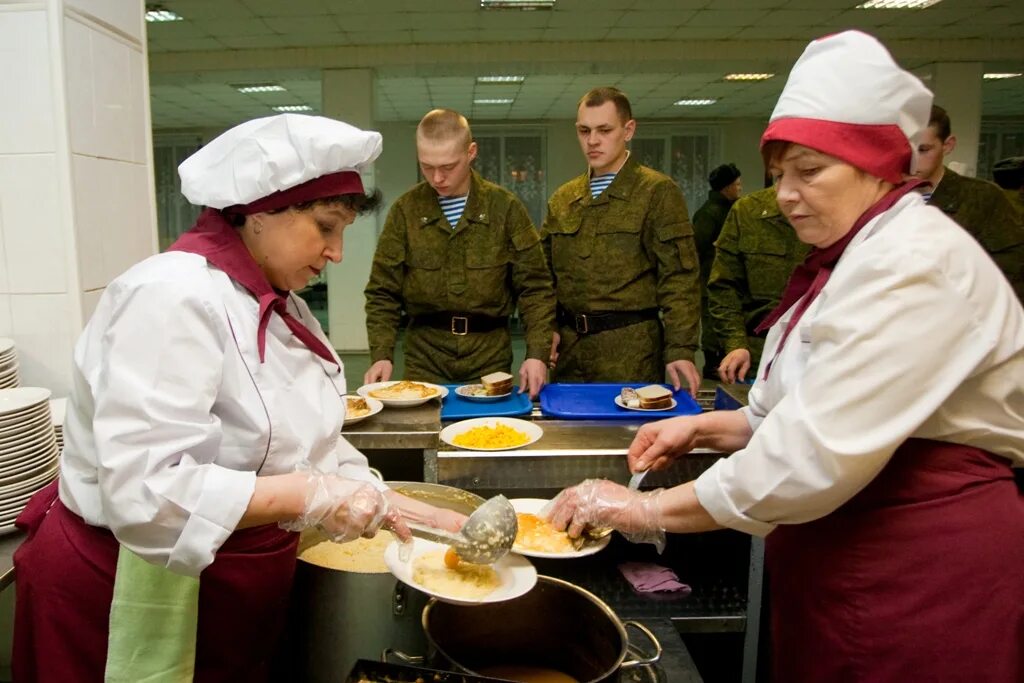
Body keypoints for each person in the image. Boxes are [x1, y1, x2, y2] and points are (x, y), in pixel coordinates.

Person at [547, 31, 1023, 682]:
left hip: (918, 559)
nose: (787, 194)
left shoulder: (914, 263)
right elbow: (798, 407)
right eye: (779, 175)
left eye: (810, 171)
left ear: (875, 166)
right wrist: (708, 425)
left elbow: (807, 454)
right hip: (839, 546)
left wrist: (642, 509)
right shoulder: (853, 257)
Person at [12, 114, 466, 682]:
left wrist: (396, 504)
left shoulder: (285, 307)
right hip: (122, 590)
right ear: (258, 211)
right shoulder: (171, 296)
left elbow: (313, 445)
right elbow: (147, 492)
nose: (337, 253)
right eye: (326, 226)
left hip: (228, 588)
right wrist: (312, 494)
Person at [364, 109, 555, 396]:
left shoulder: (505, 208)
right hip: (425, 359)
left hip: (489, 356)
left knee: (489, 434)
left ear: (471, 152)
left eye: (448, 166)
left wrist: (536, 353)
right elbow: (382, 291)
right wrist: (382, 353)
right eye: (427, 167)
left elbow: (535, 288)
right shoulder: (406, 211)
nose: (437, 178)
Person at [541, 87, 701, 394]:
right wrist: (545, 330)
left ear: (628, 130)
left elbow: (680, 278)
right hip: (570, 354)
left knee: (630, 438)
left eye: (604, 130)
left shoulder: (657, 192)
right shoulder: (564, 199)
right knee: (569, 436)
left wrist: (680, 348)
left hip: (631, 352)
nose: (592, 141)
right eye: (584, 131)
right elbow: (543, 277)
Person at [914, 105, 1024, 301]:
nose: (911, 162)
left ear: (947, 145)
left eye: (923, 150)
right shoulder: (880, 194)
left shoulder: (982, 198)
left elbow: (1012, 271)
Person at [709, 186, 809, 383]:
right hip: (756, 356)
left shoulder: (845, 214)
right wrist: (735, 344)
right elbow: (724, 287)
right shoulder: (748, 211)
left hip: (819, 355)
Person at [692, 163, 742, 373]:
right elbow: (696, 249)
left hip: (725, 283)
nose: (740, 188)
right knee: (713, 331)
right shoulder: (709, 214)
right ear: (726, 187)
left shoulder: (734, 210)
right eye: (737, 185)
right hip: (711, 283)